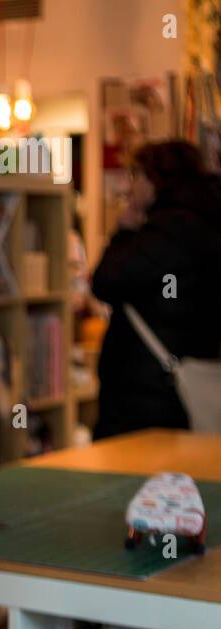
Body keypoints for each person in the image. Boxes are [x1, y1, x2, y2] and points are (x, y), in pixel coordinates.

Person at [91, 140, 221, 439]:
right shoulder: (207, 221)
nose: (131, 186)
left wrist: (123, 232)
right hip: (189, 372)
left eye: (137, 176)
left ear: (155, 180)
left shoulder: (167, 230)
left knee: (132, 473)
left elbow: (107, 281)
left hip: (148, 386)